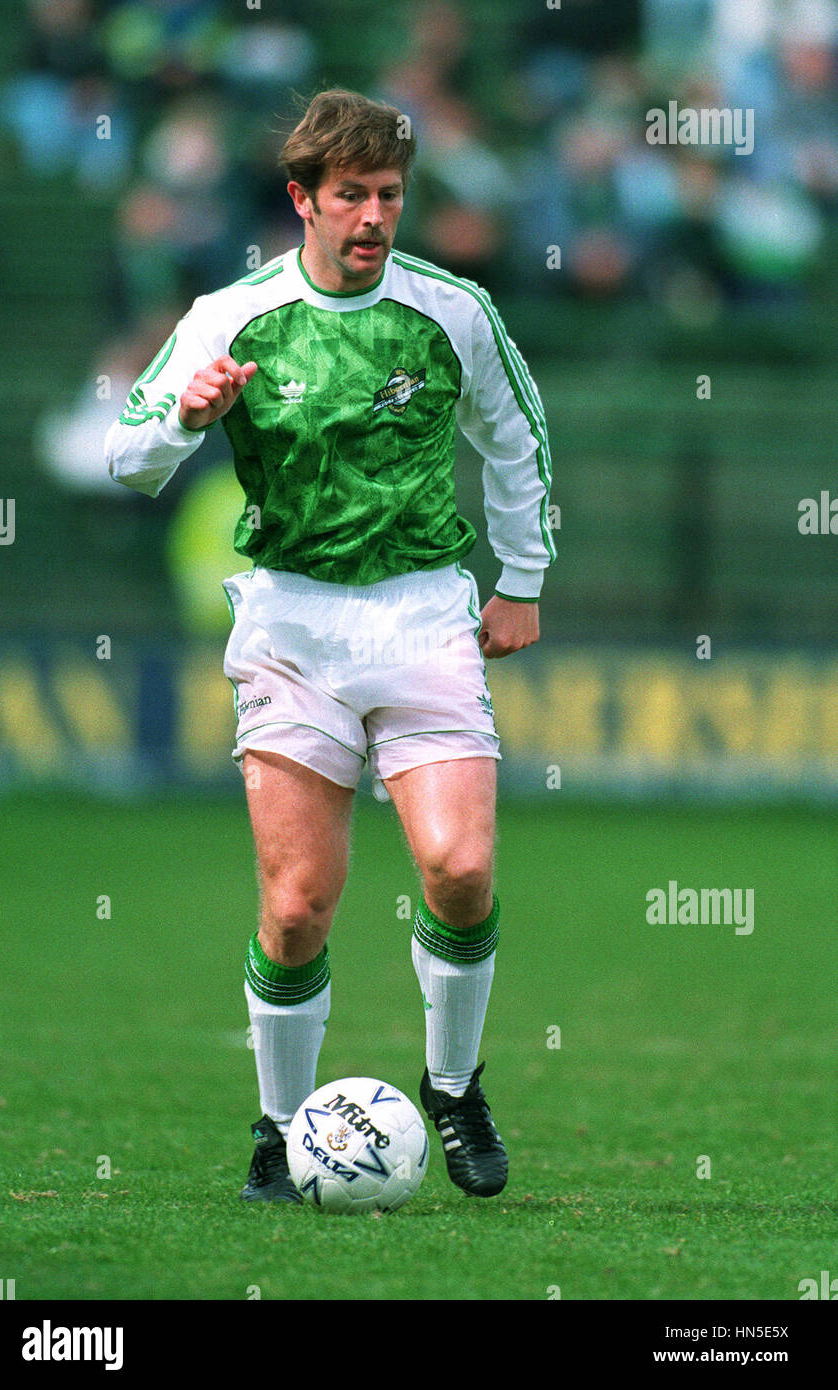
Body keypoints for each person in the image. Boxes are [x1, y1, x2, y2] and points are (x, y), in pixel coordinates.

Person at [105, 88, 556, 1204]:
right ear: (302, 199)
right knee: (298, 901)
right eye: (349, 195)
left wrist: (522, 581)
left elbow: (515, 436)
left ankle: (451, 1086)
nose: (371, 216)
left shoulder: (451, 310)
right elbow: (123, 458)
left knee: (456, 869)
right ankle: (275, 1129)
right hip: (293, 622)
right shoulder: (231, 315)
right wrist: (183, 417)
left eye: (389, 195)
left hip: (420, 615)